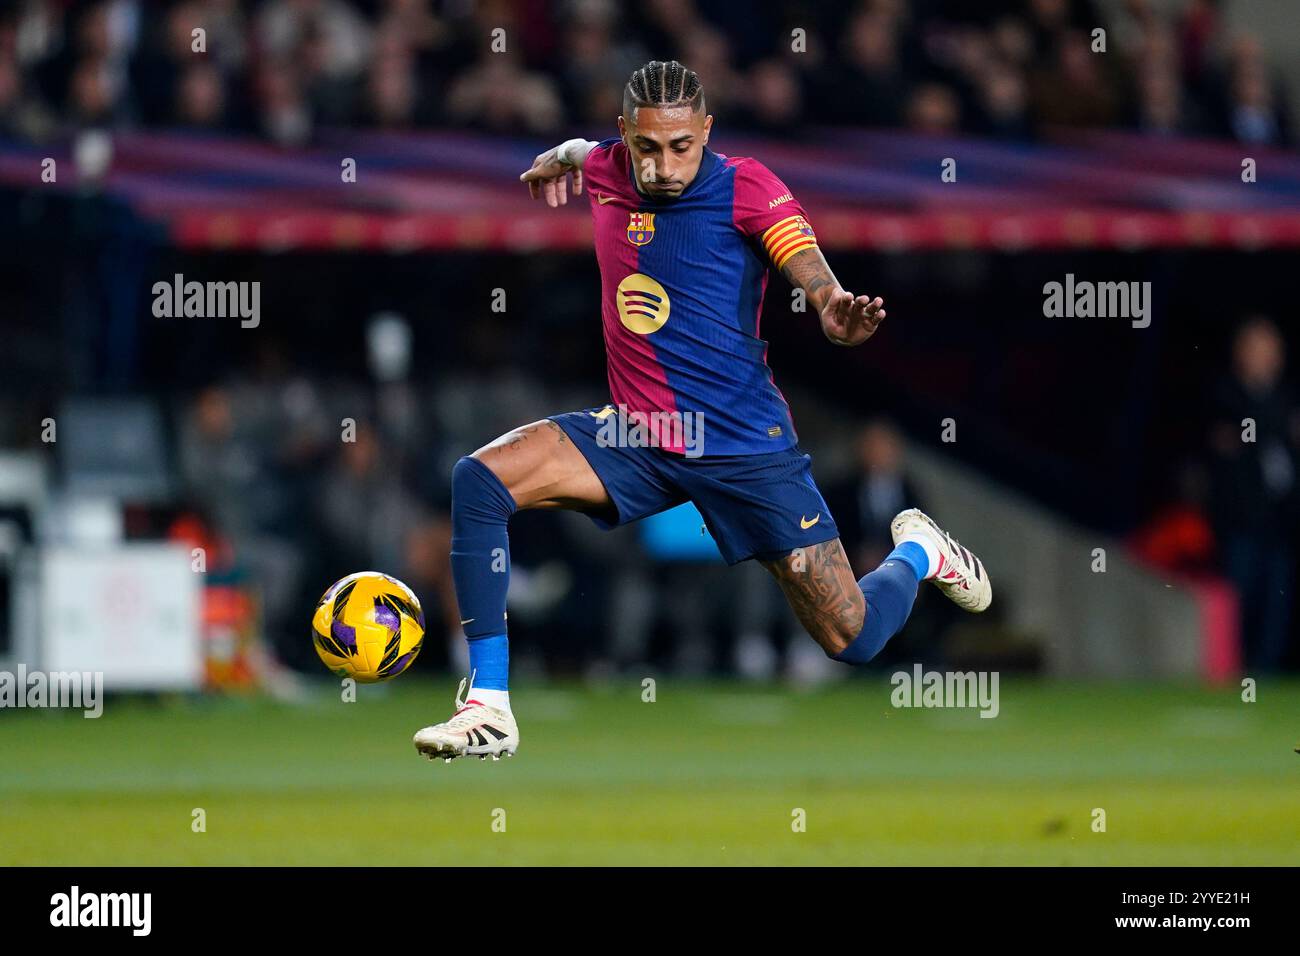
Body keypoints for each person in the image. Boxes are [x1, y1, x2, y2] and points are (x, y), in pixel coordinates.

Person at [411, 61, 992, 762]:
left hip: (745, 448)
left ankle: (920, 551)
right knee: (480, 479)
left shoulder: (747, 185)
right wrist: (555, 159)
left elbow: (800, 257)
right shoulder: (606, 168)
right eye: (648, 148)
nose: (663, 166)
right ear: (625, 135)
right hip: (638, 435)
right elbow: (581, 153)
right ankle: (490, 706)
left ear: (706, 132)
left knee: (853, 639)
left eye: (681, 146)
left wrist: (831, 304)